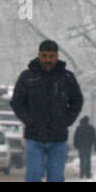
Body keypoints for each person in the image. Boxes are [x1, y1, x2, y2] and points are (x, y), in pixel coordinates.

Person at [10, 39, 83, 182]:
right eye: (44, 56)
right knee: (33, 177)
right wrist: (28, 120)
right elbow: (16, 102)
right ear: (39, 55)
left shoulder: (67, 77)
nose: (47, 60)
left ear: (57, 56)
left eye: (51, 56)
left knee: (56, 178)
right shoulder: (27, 77)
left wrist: (67, 120)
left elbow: (77, 101)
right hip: (34, 138)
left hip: (58, 139)